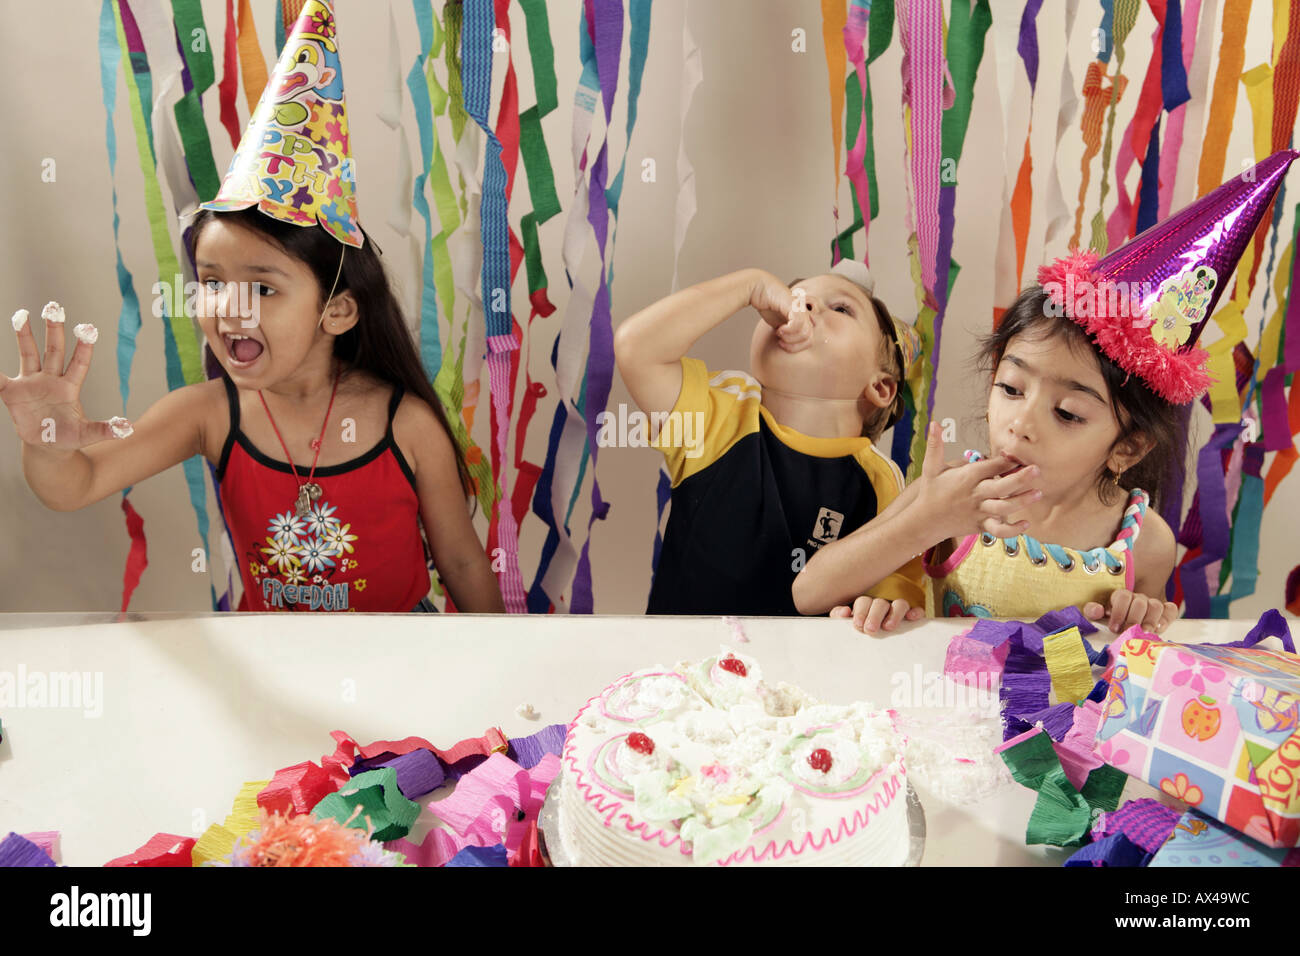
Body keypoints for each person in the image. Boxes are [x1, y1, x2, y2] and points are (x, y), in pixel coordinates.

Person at [0, 0, 502, 614]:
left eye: (263, 287)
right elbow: (75, 485)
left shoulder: (407, 424)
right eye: (212, 282)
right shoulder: (207, 414)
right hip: (274, 665)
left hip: (400, 668)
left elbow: (459, 560)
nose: (230, 305)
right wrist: (48, 444)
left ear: (338, 310)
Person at [615, 258, 925, 615]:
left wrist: (882, 607)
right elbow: (636, 348)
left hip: (798, 671)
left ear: (881, 387)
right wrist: (751, 285)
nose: (803, 305)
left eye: (841, 308)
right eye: (794, 297)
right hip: (681, 667)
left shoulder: (879, 482)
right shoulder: (719, 415)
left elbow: (896, 590)